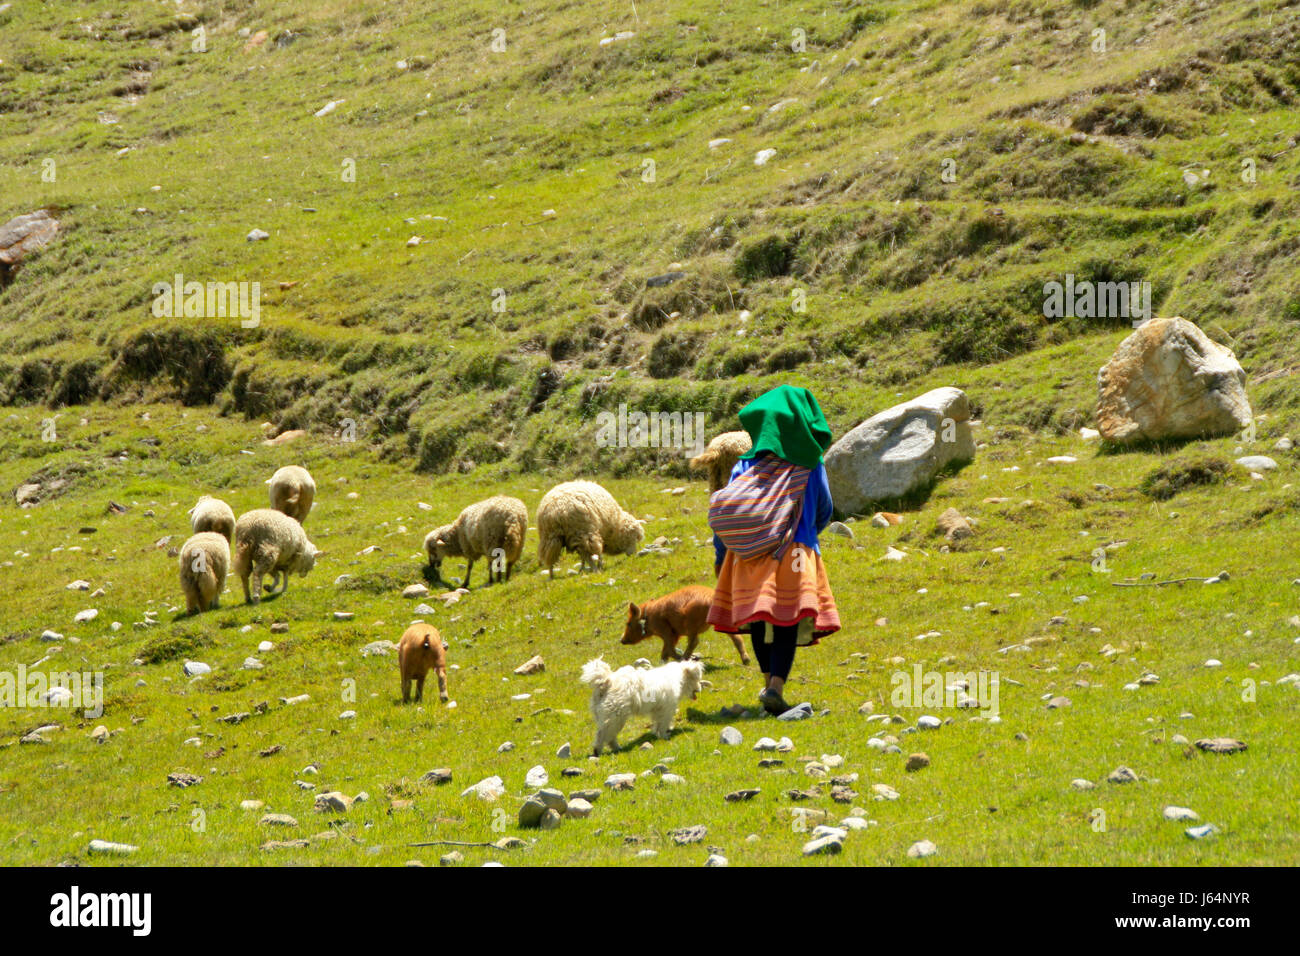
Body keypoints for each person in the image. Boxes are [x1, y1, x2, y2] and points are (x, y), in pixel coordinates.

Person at [707, 385, 840, 716]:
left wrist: (723, 556)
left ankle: (768, 682)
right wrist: (806, 533)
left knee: (757, 618)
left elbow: (732, 513)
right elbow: (824, 508)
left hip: (746, 557)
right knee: (786, 619)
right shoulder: (811, 464)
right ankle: (776, 687)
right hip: (794, 553)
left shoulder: (744, 465)